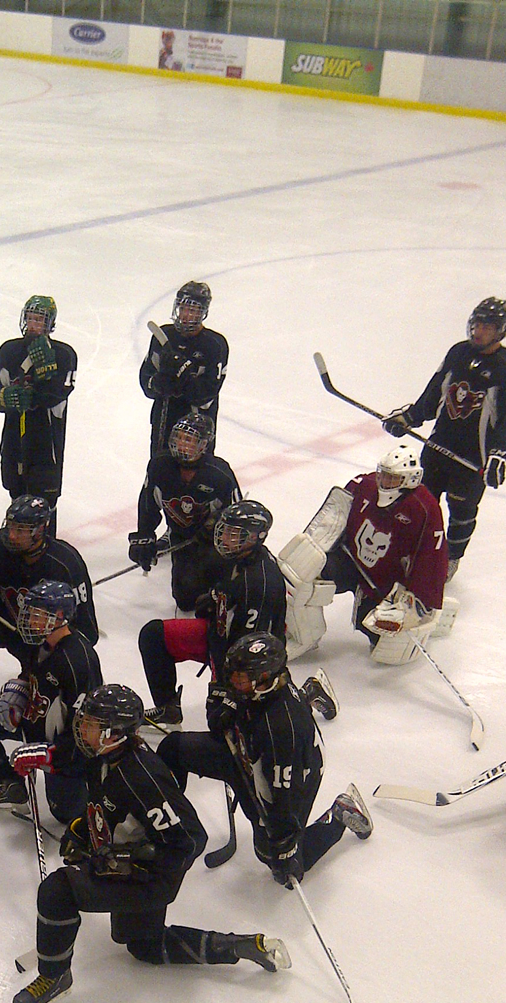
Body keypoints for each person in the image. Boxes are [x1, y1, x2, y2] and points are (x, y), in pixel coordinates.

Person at [10, 683, 291, 1003]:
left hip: (151, 878)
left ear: (113, 733)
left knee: (56, 892)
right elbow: (80, 767)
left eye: (91, 723)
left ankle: (54, 976)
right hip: (134, 864)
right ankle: (241, 946)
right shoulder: (106, 753)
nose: (81, 727)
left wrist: (125, 862)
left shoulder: (142, 778)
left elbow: (190, 840)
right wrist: (51, 765)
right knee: (144, 946)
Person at [157, 632, 372, 888]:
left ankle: (340, 814)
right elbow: (223, 698)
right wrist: (225, 706)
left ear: (265, 680)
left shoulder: (280, 730)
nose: (234, 683)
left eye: (241, 681)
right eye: (234, 677)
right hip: (247, 750)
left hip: (297, 772)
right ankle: (310, 691)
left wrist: (285, 845)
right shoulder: (257, 686)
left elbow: (282, 798)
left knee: (277, 860)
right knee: (172, 749)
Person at [383, 297, 506, 576]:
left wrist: (500, 456)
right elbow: (436, 390)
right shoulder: (458, 353)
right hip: (438, 447)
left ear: (500, 331)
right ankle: (414, 550)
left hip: (473, 458)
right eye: (477, 324)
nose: (478, 331)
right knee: (421, 503)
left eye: (486, 326)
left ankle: (450, 559)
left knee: (461, 511)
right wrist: (410, 417)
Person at [282, 447, 449, 666]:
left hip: (385, 581)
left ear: (410, 479)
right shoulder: (365, 485)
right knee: (303, 572)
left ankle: (430, 621)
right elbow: (334, 516)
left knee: (381, 637)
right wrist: (315, 550)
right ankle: (305, 637)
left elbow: (432, 560)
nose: (384, 482)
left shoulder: (424, 508)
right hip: (349, 560)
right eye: (383, 474)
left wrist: (417, 601)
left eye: (393, 478)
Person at [0, 580, 101, 822]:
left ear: (60, 616)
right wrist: (21, 688)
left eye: (37, 615)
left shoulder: (78, 662)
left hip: (60, 744)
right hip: (31, 720)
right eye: (29, 613)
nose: (29, 620)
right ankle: (11, 785)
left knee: (68, 815)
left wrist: (48, 755)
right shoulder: (37, 640)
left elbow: (85, 733)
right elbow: (33, 673)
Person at [137, 497, 286, 726]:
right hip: (219, 637)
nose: (225, 538)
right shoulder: (236, 558)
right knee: (153, 635)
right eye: (225, 530)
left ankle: (307, 693)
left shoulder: (260, 583)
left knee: (220, 723)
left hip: (243, 657)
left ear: (256, 537)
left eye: (233, 534)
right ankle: (168, 708)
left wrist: (224, 684)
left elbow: (250, 651)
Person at [0, 494, 98, 705]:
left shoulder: (65, 563)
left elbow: (86, 628)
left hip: (42, 633)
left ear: (41, 530)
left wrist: (64, 655)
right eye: (10, 527)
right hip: (5, 620)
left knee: (38, 692)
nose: (12, 535)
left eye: (21, 530)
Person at [129, 412, 241, 611]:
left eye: (189, 440)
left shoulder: (219, 474)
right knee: (186, 600)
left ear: (204, 445)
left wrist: (217, 532)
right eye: (179, 438)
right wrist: (143, 537)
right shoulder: (160, 466)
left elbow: (238, 515)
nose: (182, 444)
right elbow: (148, 503)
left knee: (219, 600)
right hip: (182, 539)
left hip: (215, 543)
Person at [0, 296, 77, 519]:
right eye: (30, 318)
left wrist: (45, 376)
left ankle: (45, 545)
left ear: (49, 324)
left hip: (46, 444)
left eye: (39, 319)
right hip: (13, 439)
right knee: (15, 490)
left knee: (45, 501)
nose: (33, 324)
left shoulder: (64, 355)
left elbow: (57, 394)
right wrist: (5, 397)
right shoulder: (9, 351)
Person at [139, 282, 228, 459]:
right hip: (163, 420)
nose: (187, 315)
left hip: (196, 429)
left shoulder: (214, 345)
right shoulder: (164, 336)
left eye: (193, 310)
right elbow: (146, 380)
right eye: (183, 308)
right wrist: (158, 383)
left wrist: (182, 377)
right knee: (160, 469)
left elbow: (207, 394)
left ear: (203, 312)